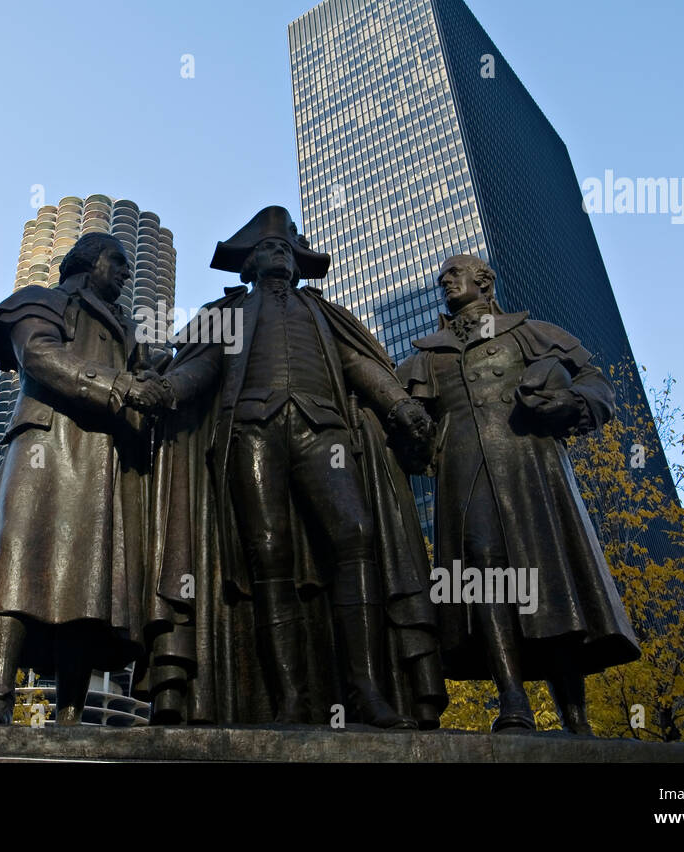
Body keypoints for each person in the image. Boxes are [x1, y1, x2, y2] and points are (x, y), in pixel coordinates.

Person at [146, 206, 445, 729]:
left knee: (355, 534)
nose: (278, 253)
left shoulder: (323, 314)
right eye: (267, 248)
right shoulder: (226, 313)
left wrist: (399, 405)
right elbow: (201, 367)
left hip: (323, 431)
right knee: (268, 555)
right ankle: (289, 698)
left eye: (286, 247)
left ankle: (367, 689)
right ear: (249, 264)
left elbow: (361, 366)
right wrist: (168, 388)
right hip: (252, 433)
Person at [397, 253, 640, 733]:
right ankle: (512, 700)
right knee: (481, 570)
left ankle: (576, 715)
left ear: (483, 281)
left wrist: (569, 402)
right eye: (442, 279)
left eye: (455, 275)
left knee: (546, 575)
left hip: (529, 467)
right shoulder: (427, 355)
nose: (445, 283)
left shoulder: (530, 333)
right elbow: (398, 418)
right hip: (464, 475)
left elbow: (596, 384)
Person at [0, 232, 173, 724]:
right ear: (88, 260)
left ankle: (71, 715)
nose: (125, 273)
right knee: (17, 563)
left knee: (87, 585)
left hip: (103, 461)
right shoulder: (41, 301)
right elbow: (39, 356)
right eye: (116, 261)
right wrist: (120, 386)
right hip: (45, 446)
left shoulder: (125, 332)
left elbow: (154, 375)